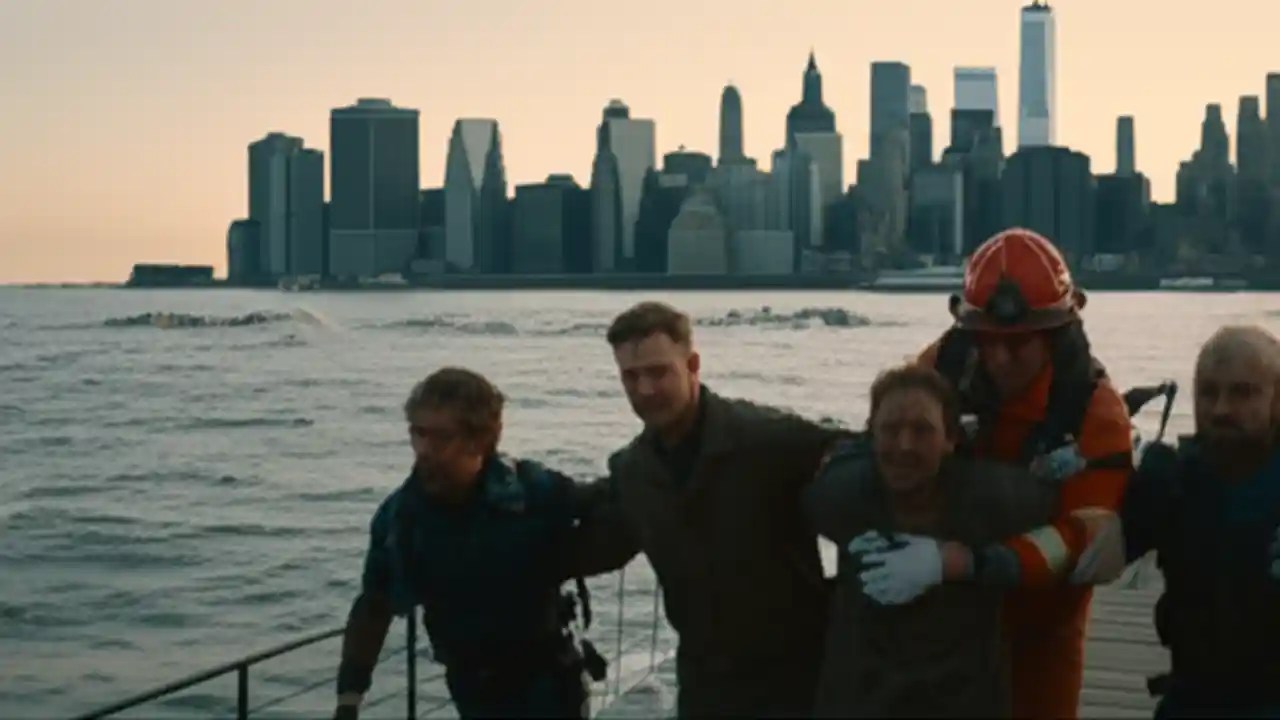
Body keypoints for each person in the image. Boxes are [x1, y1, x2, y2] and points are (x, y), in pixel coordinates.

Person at [859, 228, 1135, 718]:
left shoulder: (1097, 418)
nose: (1000, 358)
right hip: (947, 618)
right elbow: (890, 448)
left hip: (1042, 629)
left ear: (1054, 335)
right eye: (987, 341)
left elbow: (1084, 541)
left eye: (1019, 343)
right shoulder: (938, 372)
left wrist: (965, 563)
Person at [572, 301, 848, 718]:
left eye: (658, 372)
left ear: (693, 365)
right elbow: (598, 544)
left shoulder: (767, 439)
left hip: (800, 684)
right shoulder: (633, 471)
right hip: (705, 687)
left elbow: (867, 464)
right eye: (631, 376)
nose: (645, 390)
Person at [804, 363, 1073, 717]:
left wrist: (970, 562)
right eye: (890, 429)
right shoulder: (840, 495)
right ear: (871, 437)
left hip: (963, 694)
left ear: (950, 439)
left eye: (922, 430)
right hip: (860, 694)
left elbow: (1069, 541)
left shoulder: (995, 497)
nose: (904, 445)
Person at [332, 368, 599, 720]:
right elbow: (374, 606)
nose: (424, 450)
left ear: (481, 439)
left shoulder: (531, 491)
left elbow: (602, 507)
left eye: (442, 437)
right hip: (471, 689)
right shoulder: (400, 518)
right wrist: (349, 698)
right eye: (418, 433)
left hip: (548, 684)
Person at [1107, 325, 1280, 718]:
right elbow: (1094, 563)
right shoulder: (1174, 480)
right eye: (1208, 392)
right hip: (1193, 694)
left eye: (1243, 392)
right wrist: (1127, 502)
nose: (1221, 409)